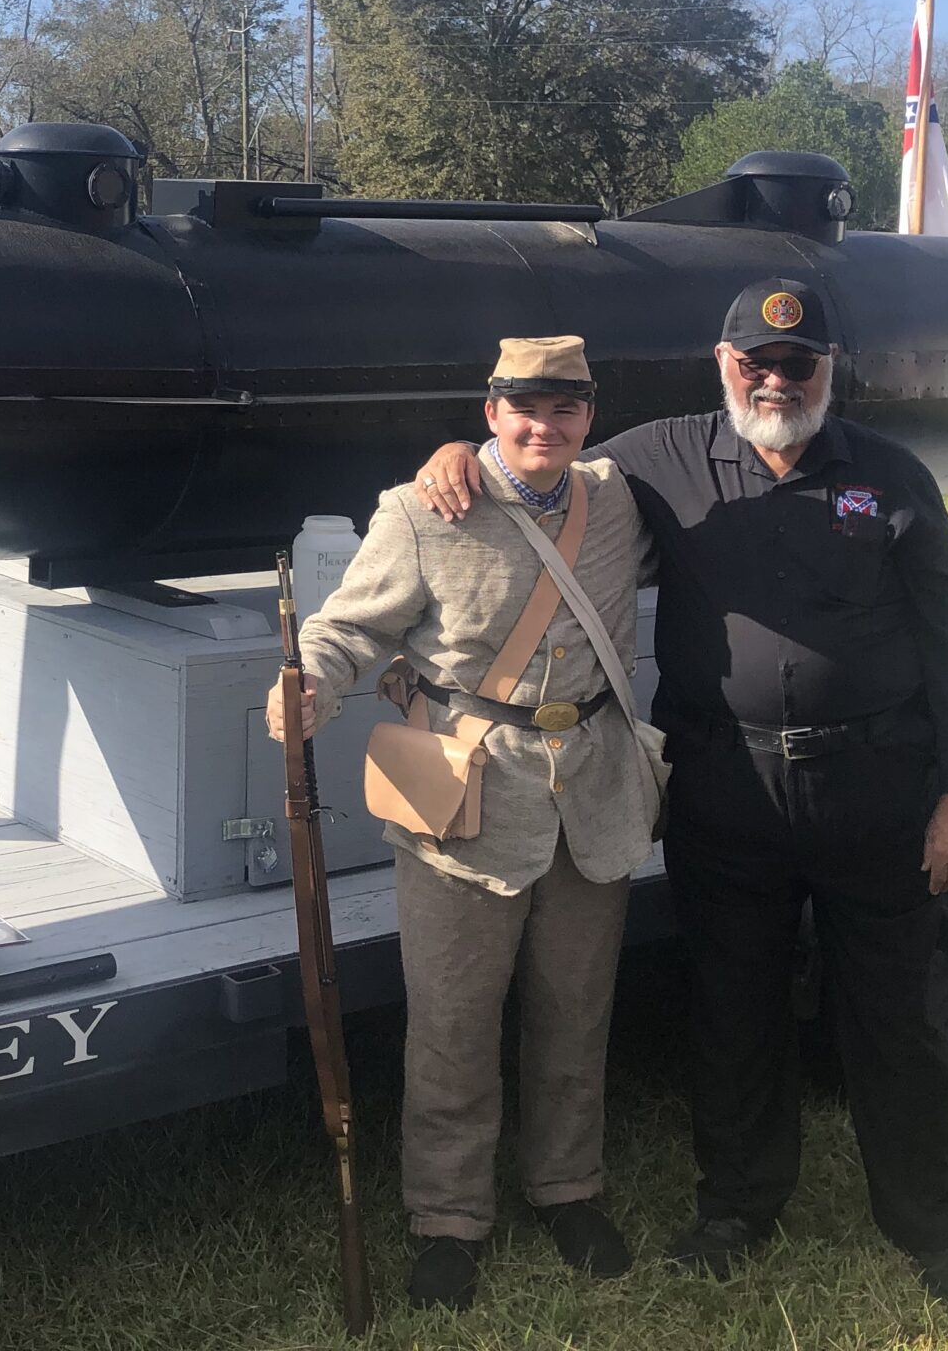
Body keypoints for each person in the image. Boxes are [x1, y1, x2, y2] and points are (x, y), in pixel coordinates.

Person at [411, 279, 948, 1311]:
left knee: (890, 1019)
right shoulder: (654, 459)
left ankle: (932, 1230)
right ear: (723, 365)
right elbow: (535, 468)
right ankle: (736, 1208)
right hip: (724, 787)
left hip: (871, 788)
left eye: (797, 364)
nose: (776, 382)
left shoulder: (889, 475)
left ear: (828, 369)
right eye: (755, 364)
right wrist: (454, 453)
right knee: (733, 1010)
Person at [268, 337, 661, 1310]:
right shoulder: (421, 507)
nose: (544, 426)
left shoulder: (615, 495)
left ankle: (567, 1189)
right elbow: (348, 627)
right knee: (452, 1022)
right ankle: (448, 1218)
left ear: (590, 413)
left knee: (576, 1010)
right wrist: (312, 684)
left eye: (565, 407)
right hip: (466, 798)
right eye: (524, 408)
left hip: (593, 789)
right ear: (491, 412)